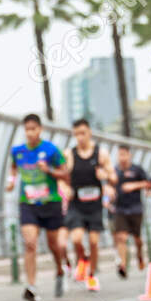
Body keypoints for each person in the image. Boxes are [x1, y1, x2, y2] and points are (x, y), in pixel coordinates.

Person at [8, 114, 71, 301]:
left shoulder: (51, 150)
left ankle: (60, 270)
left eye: (33, 129)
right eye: (27, 129)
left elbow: (66, 174)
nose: (30, 133)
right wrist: (11, 181)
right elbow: (13, 168)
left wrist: (49, 170)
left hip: (51, 202)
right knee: (30, 243)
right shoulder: (17, 151)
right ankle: (32, 286)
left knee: (54, 244)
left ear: (40, 129)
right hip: (28, 203)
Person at [63, 119, 113, 291]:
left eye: (83, 133)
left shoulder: (101, 154)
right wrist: (65, 189)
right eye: (76, 134)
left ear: (89, 132)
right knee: (76, 239)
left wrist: (105, 176)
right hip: (76, 204)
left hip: (95, 205)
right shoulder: (69, 154)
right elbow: (62, 177)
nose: (80, 137)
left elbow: (113, 177)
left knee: (93, 241)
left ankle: (92, 275)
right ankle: (83, 259)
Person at [110, 144, 149, 279]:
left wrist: (134, 185)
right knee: (121, 237)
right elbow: (109, 185)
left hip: (135, 208)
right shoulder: (115, 171)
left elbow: (148, 183)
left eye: (124, 154)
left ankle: (139, 254)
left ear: (129, 155)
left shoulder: (137, 169)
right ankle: (123, 265)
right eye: (119, 155)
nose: (122, 158)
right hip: (120, 209)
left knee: (137, 238)